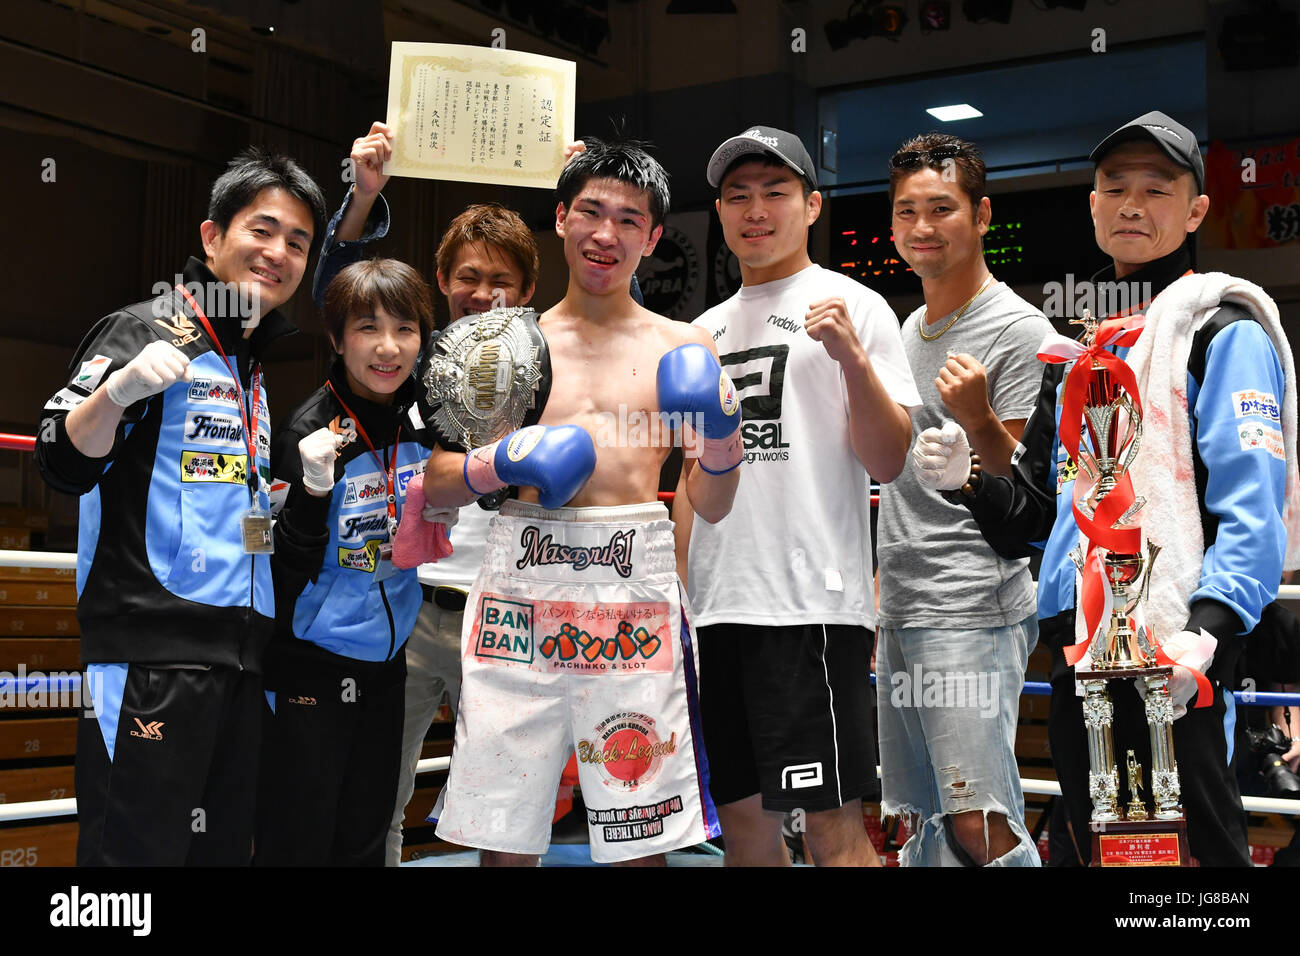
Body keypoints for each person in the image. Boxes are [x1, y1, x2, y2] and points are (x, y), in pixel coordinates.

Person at [928, 111, 1299, 866]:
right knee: (1102, 856)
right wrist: (966, 478)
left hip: (1177, 650)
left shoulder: (1221, 330)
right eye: (1114, 187)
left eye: (1156, 189)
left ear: (1196, 210)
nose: (1132, 204)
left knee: (1193, 867)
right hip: (1080, 654)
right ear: (1092, 204)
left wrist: (1207, 633)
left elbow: (1253, 514)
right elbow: (1034, 523)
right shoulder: (1078, 350)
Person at [418, 136, 741, 866]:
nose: (606, 234)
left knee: (640, 837)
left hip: (633, 593)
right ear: (560, 219)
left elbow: (712, 503)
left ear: (654, 238)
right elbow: (436, 481)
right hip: (520, 591)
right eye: (590, 212)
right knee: (500, 837)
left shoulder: (681, 346)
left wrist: (722, 446)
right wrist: (497, 461)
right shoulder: (505, 343)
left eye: (629, 220)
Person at [34, 148, 325, 865]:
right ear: (211, 237)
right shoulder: (144, 329)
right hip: (151, 659)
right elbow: (60, 462)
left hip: (239, 665)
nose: (278, 253)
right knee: (128, 871)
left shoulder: (247, 367)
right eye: (262, 230)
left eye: (298, 242)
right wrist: (114, 395)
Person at [674, 126, 921, 866]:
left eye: (775, 192)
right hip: (720, 610)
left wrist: (849, 360)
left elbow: (890, 459)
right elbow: (693, 480)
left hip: (810, 607)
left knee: (831, 826)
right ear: (718, 212)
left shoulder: (856, 306)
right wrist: (688, 595)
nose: (756, 210)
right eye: (737, 196)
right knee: (744, 825)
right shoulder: (698, 331)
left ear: (811, 205)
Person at [875, 133, 1052, 866]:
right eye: (906, 210)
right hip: (904, 600)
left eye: (941, 208)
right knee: (925, 821)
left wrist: (978, 417)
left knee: (980, 822)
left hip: (973, 603)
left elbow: (1024, 496)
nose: (922, 227)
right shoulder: (904, 330)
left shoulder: (1019, 330)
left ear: (981, 216)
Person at [255, 258, 437, 865]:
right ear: (337, 338)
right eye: (368, 328)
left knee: (366, 833)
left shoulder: (426, 417)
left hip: (389, 662)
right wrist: (309, 491)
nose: (388, 348)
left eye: (405, 329)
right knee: (300, 839)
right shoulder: (308, 428)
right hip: (312, 664)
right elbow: (277, 564)